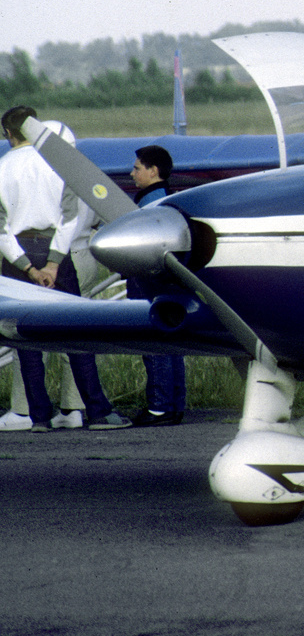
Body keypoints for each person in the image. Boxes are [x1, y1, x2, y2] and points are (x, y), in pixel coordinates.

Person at [0, 106, 129, 430]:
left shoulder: (2, 167)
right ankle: (97, 412)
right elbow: (70, 219)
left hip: (17, 253)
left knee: (25, 339)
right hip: (56, 249)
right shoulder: (58, 165)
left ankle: (39, 416)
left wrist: (28, 268)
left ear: (7, 134)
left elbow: (1, 231)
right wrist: (54, 263)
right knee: (75, 333)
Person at [128, 145, 186, 426]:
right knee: (172, 343)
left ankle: (160, 407)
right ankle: (174, 404)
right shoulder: (168, 199)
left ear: (153, 171)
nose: (132, 173)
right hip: (169, 283)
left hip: (149, 282)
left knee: (154, 341)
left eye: (138, 168)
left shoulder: (150, 204)